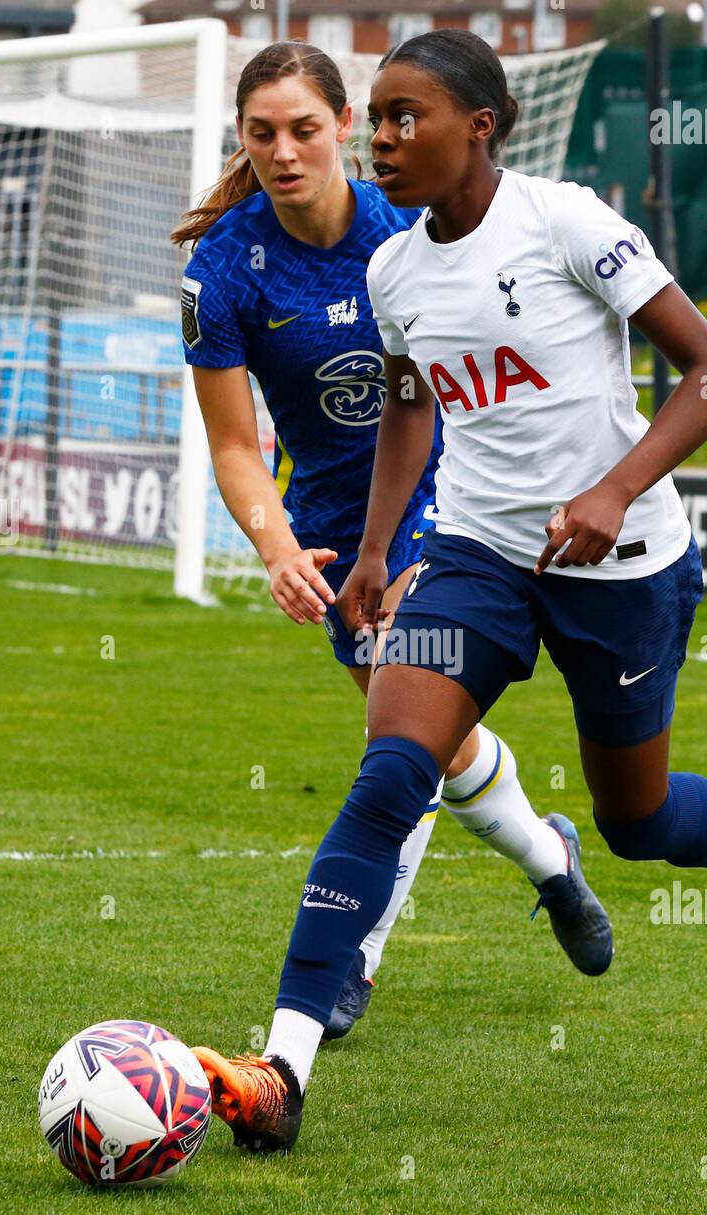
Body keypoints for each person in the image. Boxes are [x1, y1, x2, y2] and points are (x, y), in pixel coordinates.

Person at [192, 28, 707, 1156]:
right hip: (475, 555)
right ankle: (281, 1066)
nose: (379, 140)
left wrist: (615, 491)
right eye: (375, 118)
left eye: (403, 118)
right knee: (393, 768)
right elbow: (409, 406)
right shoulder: (393, 270)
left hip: (624, 566)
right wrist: (379, 548)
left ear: (479, 126)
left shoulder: (567, 220)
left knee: (637, 822)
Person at [174, 42, 611, 1047]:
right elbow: (237, 447)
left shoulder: (408, 223)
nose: (285, 151)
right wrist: (277, 547)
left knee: (395, 719)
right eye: (262, 134)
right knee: (435, 743)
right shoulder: (222, 273)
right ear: (243, 141)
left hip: (451, 496)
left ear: (344, 128)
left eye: (306, 129)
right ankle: (550, 856)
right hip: (333, 529)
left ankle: (346, 967)